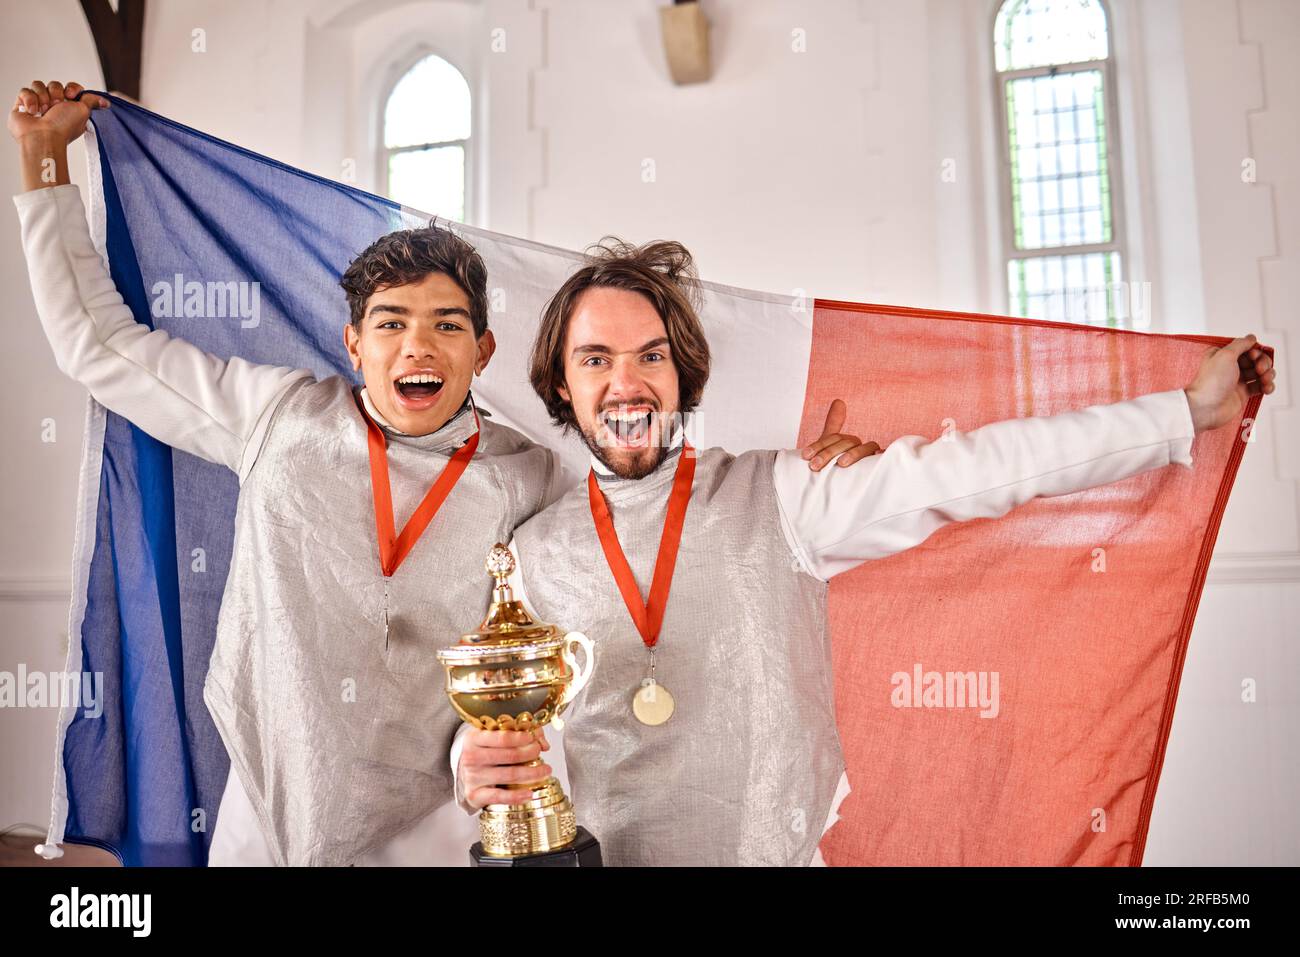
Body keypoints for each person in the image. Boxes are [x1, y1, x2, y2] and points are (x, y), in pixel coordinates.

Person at [10, 81, 869, 865]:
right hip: (264, 822)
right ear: (355, 343)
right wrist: (44, 164)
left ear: (481, 350)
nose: (417, 345)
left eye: (446, 325)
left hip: (429, 829)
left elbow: (646, 506)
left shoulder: (529, 477)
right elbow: (100, 348)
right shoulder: (272, 417)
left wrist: (800, 484)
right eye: (390, 324)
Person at [452, 237, 1276, 866]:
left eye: (650, 355)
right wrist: (468, 764)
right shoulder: (525, 558)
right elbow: (485, 728)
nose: (625, 383)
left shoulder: (786, 492)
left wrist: (1182, 413)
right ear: (561, 382)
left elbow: (987, 467)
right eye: (595, 358)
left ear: (684, 371)